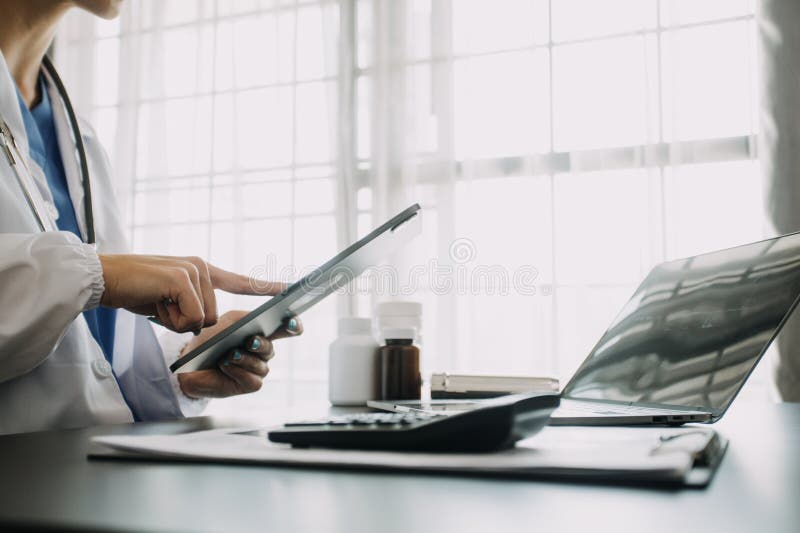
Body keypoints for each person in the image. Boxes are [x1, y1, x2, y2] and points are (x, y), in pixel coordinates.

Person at [0, 0, 302, 435]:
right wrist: (95, 273)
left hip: (87, 479)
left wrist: (182, 372)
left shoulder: (79, 138)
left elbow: (87, 365)